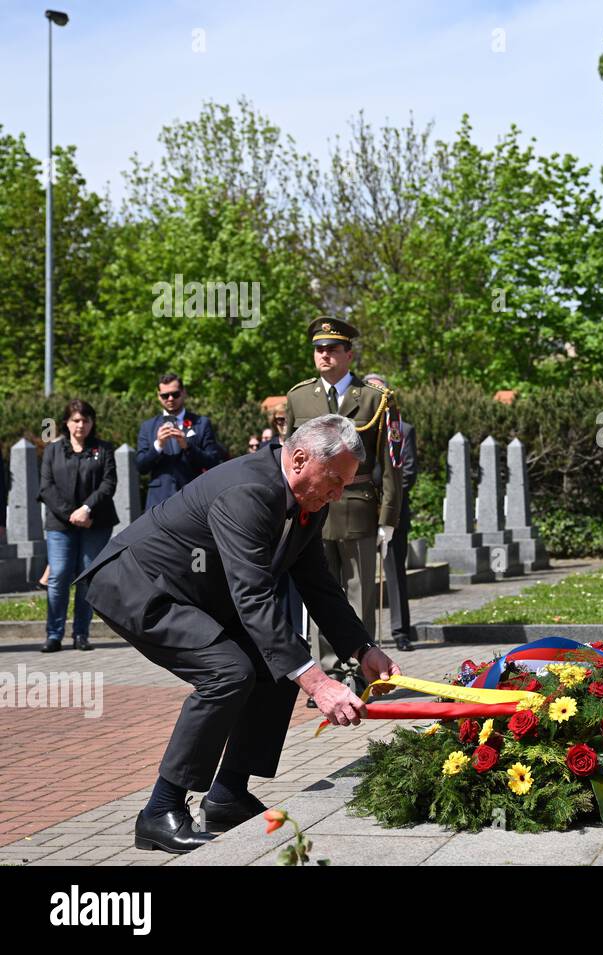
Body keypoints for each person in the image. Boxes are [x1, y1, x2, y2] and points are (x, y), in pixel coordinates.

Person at [78, 415, 402, 853]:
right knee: (228, 672)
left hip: (194, 592)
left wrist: (362, 649)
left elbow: (318, 585)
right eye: (335, 481)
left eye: (345, 484)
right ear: (301, 458)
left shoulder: (309, 500)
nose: (338, 495)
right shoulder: (249, 491)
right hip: (139, 584)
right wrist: (319, 683)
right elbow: (253, 597)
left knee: (279, 665)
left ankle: (227, 795)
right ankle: (159, 811)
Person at [284, 318, 402, 675]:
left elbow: (391, 463)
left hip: (358, 505)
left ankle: (361, 668)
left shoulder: (375, 399)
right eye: (319, 349)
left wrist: (388, 518)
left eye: (333, 349)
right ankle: (330, 669)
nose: (324, 355)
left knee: (360, 593)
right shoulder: (299, 397)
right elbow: (289, 459)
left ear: (349, 354)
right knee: (318, 591)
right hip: (311, 509)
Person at [38, 400, 118, 653]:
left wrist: (86, 509)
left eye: (85, 420)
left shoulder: (103, 449)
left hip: (95, 522)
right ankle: (54, 634)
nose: (80, 425)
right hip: (60, 524)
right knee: (59, 574)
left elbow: (108, 483)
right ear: (66, 422)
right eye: (75, 420)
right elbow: (46, 487)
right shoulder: (53, 450)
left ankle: (81, 634)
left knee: (86, 577)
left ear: (92, 422)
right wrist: (71, 514)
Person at [364, 374, 416, 652]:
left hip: (392, 510)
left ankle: (400, 632)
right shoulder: (357, 427)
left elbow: (406, 474)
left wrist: (387, 505)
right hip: (361, 509)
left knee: (394, 572)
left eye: (381, 391)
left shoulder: (403, 429)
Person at [136, 373, 223, 509]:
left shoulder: (201, 423)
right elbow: (141, 467)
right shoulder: (148, 427)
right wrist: (158, 446)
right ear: (158, 396)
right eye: (165, 395)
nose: (170, 399)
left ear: (183, 393)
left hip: (193, 499)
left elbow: (213, 462)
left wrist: (187, 446)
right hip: (159, 501)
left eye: (175, 394)